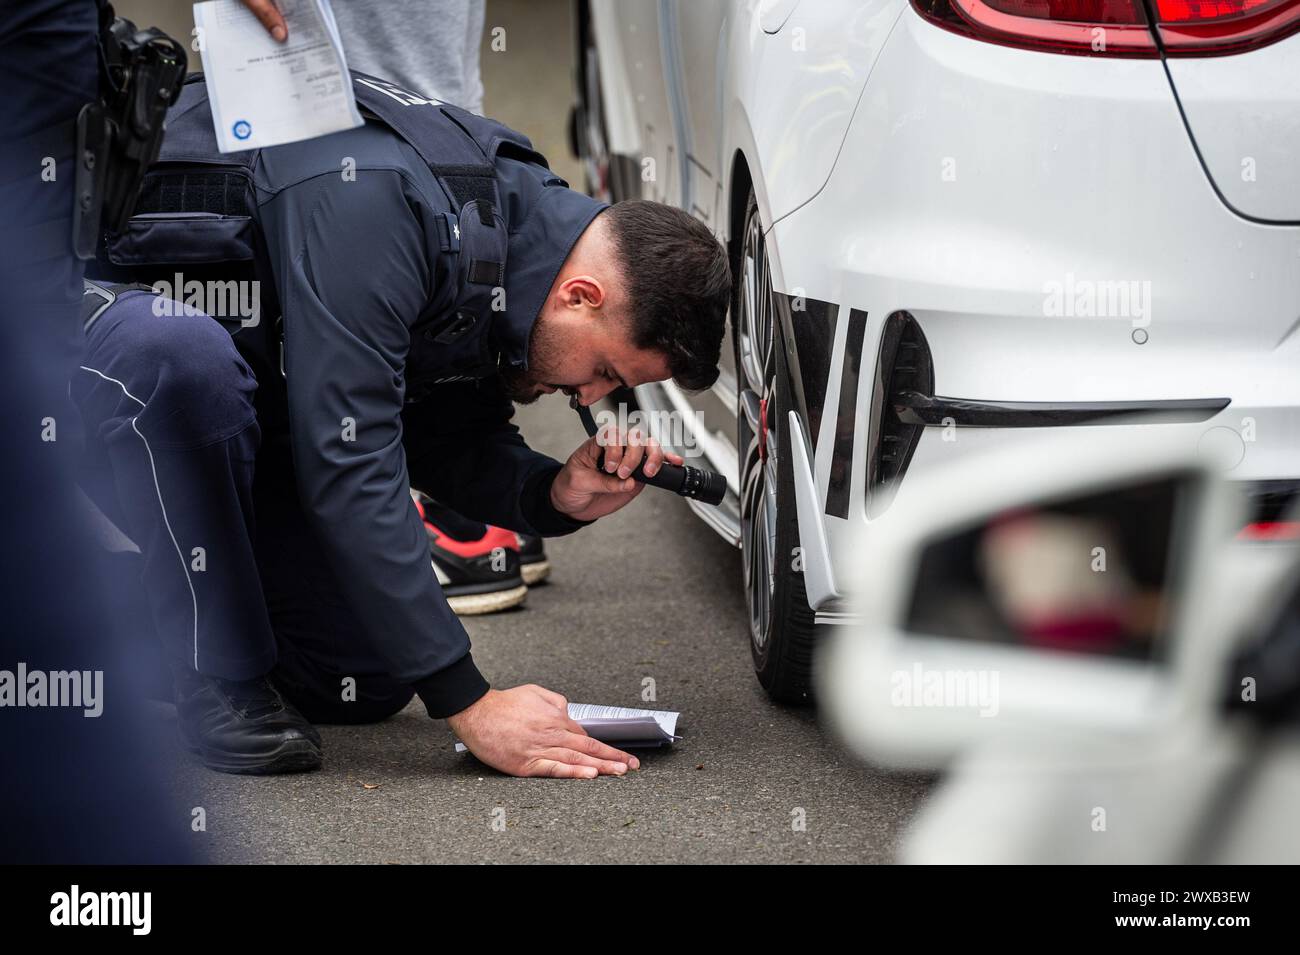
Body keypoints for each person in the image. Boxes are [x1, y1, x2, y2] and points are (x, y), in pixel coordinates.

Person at [78, 70, 732, 779]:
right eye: (606, 370)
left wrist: (552, 494)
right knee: (182, 357)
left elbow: (442, 427)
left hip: (242, 406)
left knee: (355, 671)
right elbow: (349, 456)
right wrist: (471, 702)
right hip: (53, 316)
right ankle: (215, 670)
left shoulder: (514, 228)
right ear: (581, 296)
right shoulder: (385, 199)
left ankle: (72, 608)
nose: (589, 394)